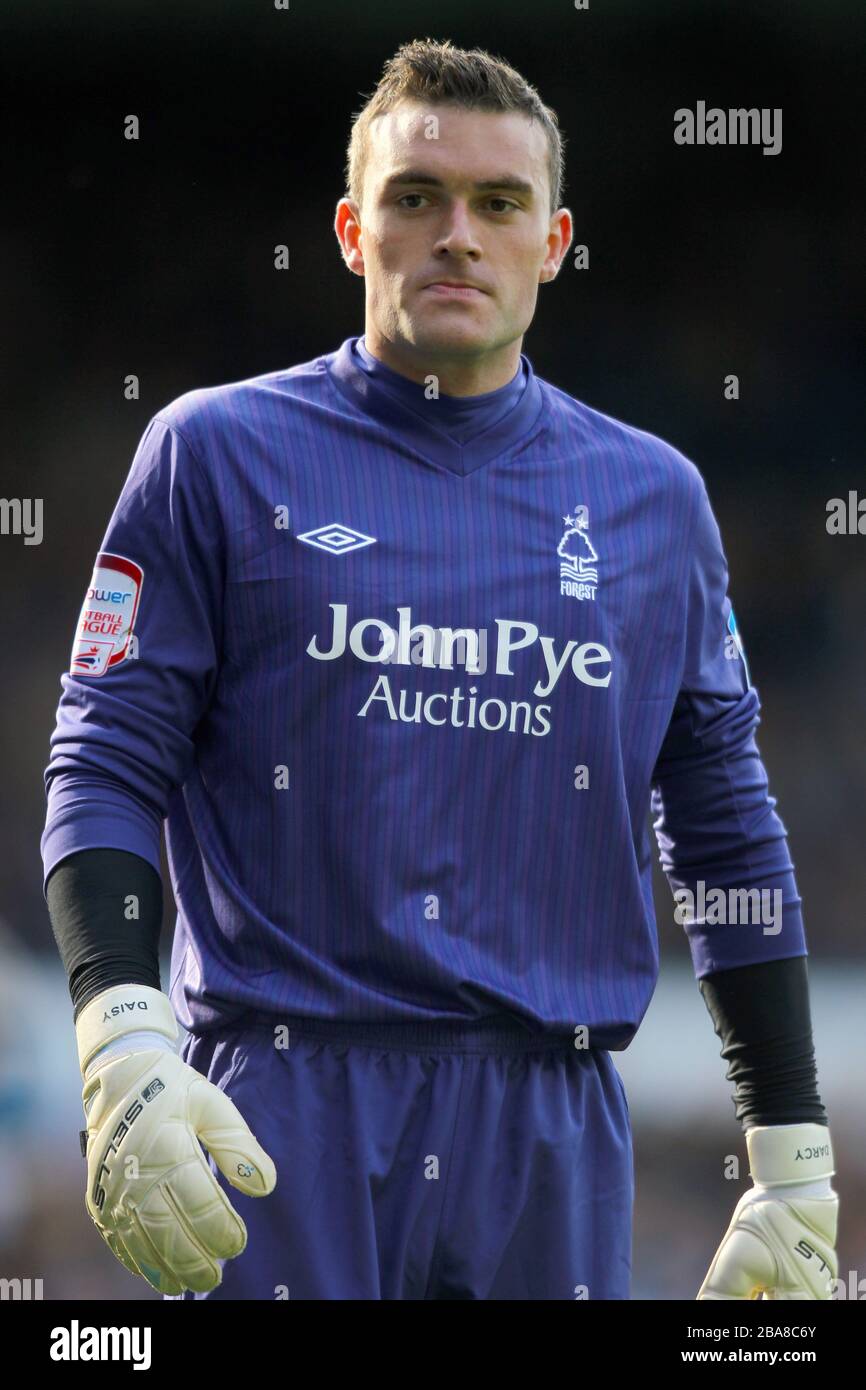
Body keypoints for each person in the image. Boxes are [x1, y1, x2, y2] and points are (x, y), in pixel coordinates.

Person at [41, 38, 837, 1301]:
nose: (455, 234)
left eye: (497, 203)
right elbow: (101, 756)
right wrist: (116, 1031)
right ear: (355, 231)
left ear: (552, 239)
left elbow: (726, 832)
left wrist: (792, 1158)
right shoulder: (211, 454)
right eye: (417, 198)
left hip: (549, 1124)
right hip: (279, 1110)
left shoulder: (652, 499)